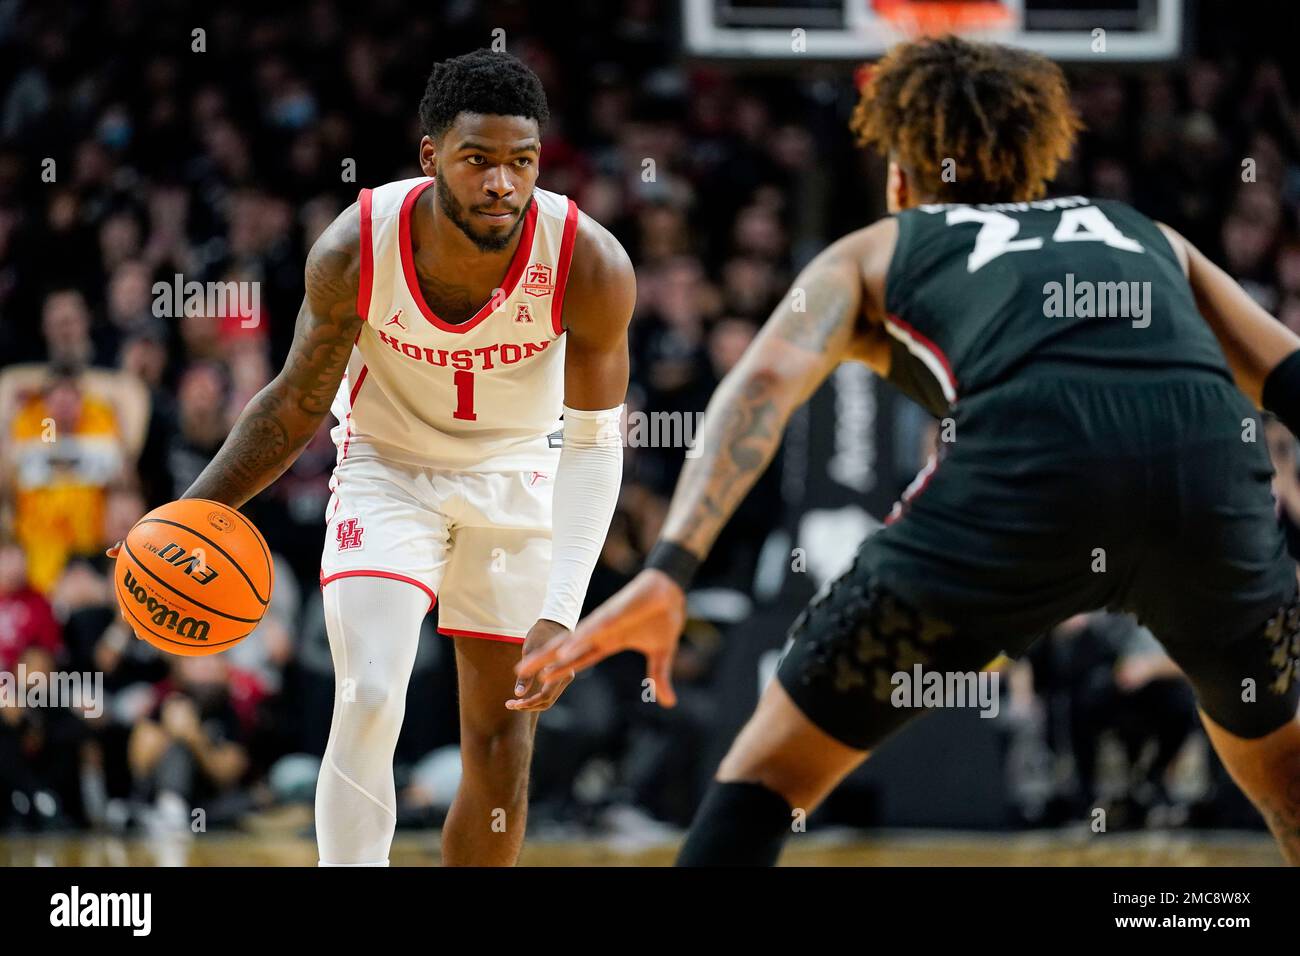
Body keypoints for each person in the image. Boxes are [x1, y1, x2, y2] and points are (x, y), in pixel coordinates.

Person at [518, 36, 1300, 865]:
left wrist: (669, 568)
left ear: (901, 171)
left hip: (1018, 486)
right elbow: (1285, 375)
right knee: (1282, 768)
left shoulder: (879, 248)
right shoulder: (1145, 234)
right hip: (1209, 480)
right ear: (1034, 158)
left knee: (767, 777)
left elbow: (760, 388)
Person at [110, 50, 635, 866]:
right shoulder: (357, 246)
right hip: (388, 471)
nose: (502, 183)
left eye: (521, 163)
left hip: (518, 476)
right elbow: (292, 404)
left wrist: (562, 608)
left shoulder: (590, 262)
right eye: (479, 161)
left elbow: (599, 444)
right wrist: (188, 512)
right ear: (431, 158)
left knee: (501, 744)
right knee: (368, 696)